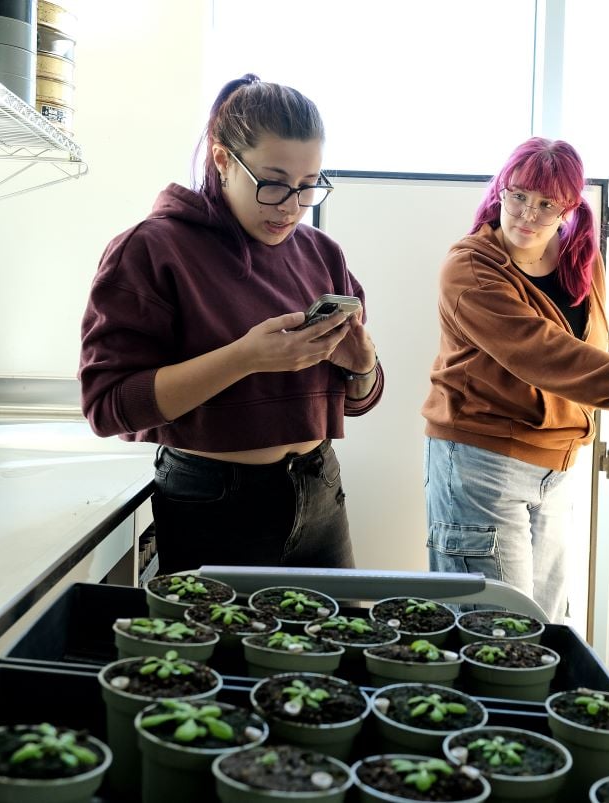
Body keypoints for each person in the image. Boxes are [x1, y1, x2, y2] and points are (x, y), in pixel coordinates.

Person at [79, 74, 383, 574]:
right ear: (223, 159)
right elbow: (107, 407)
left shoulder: (322, 254)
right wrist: (246, 358)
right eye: (274, 183)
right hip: (215, 502)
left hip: (320, 486)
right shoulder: (152, 249)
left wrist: (363, 367)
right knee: (223, 653)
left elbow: (360, 400)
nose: (290, 207)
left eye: (308, 188)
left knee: (335, 648)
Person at [422, 137, 609, 622]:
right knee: (495, 631)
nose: (526, 215)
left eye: (545, 205)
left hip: (556, 470)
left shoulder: (581, 261)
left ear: (568, 209)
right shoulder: (469, 267)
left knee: (546, 628)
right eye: (517, 196)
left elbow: (589, 349)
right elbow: (541, 352)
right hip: (481, 465)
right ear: (501, 191)